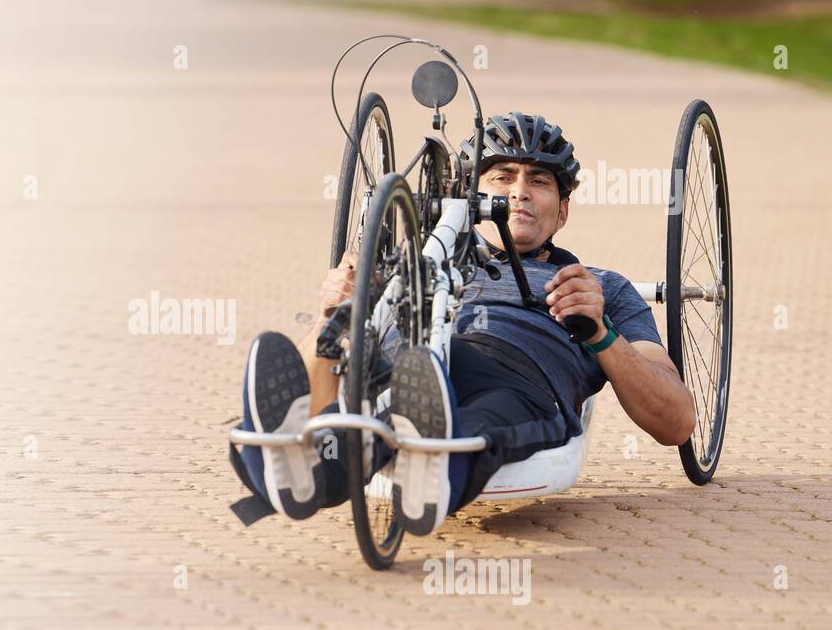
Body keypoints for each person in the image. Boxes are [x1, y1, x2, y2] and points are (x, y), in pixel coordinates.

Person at [228, 112, 696, 535]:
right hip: (408, 367)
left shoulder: (599, 286)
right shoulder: (403, 269)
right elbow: (327, 389)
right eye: (502, 176)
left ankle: (427, 469)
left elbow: (675, 420)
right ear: (465, 196)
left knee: (472, 420)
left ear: (562, 210)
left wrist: (600, 332)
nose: (518, 192)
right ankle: (299, 468)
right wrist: (335, 320)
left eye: (538, 180)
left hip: (518, 379)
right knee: (376, 410)